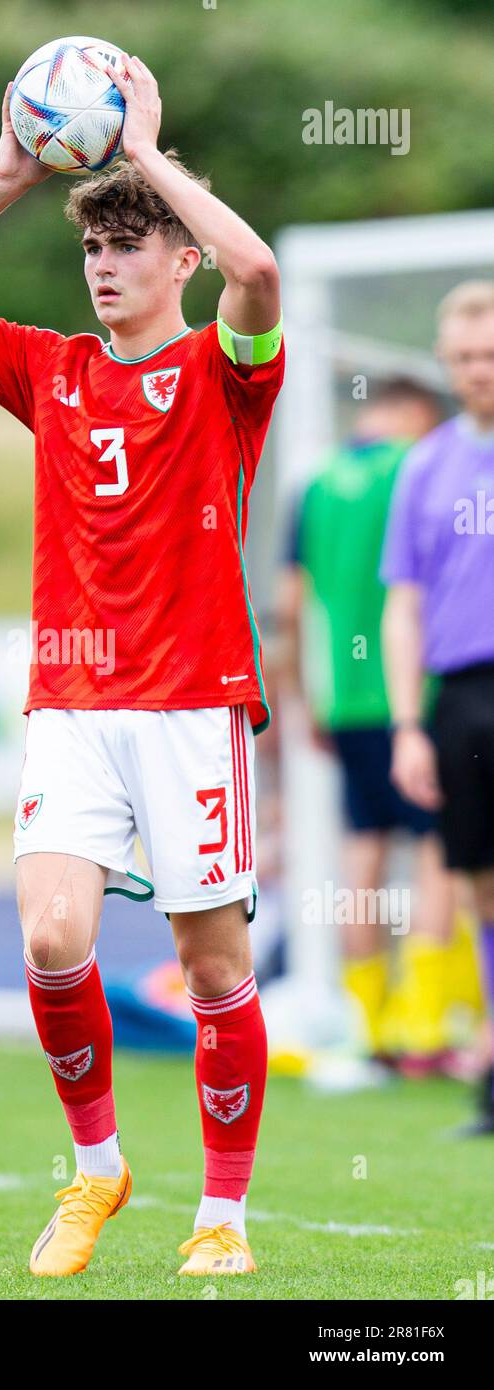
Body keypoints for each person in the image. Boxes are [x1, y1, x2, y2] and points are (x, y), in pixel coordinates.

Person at [0, 54, 283, 1277]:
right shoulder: (49, 371)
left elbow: (260, 270)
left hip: (191, 703)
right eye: (91, 248)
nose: (104, 266)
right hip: (72, 701)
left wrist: (148, 154)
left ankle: (224, 1216)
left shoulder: (223, 371)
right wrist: (8, 173)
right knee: (52, 937)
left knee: (212, 966)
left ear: (178, 262)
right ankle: (97, 1170)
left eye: (129, 246)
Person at [278, 379, 461, 1074]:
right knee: (439, 849)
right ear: (418, 413)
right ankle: (424, 1022)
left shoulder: (315, 484)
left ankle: (368, 1024)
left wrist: (304, 697)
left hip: (344, 699)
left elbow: (290, 604)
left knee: (364, 851)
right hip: (420, 689)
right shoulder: (420, 467)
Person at [382, 281, 494, 1136]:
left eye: (488, 356)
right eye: (461, 358)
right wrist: (409, 725)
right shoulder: (425, 464)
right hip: (460, 698)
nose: (476, 371)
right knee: (480, 890)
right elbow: (403, 603)